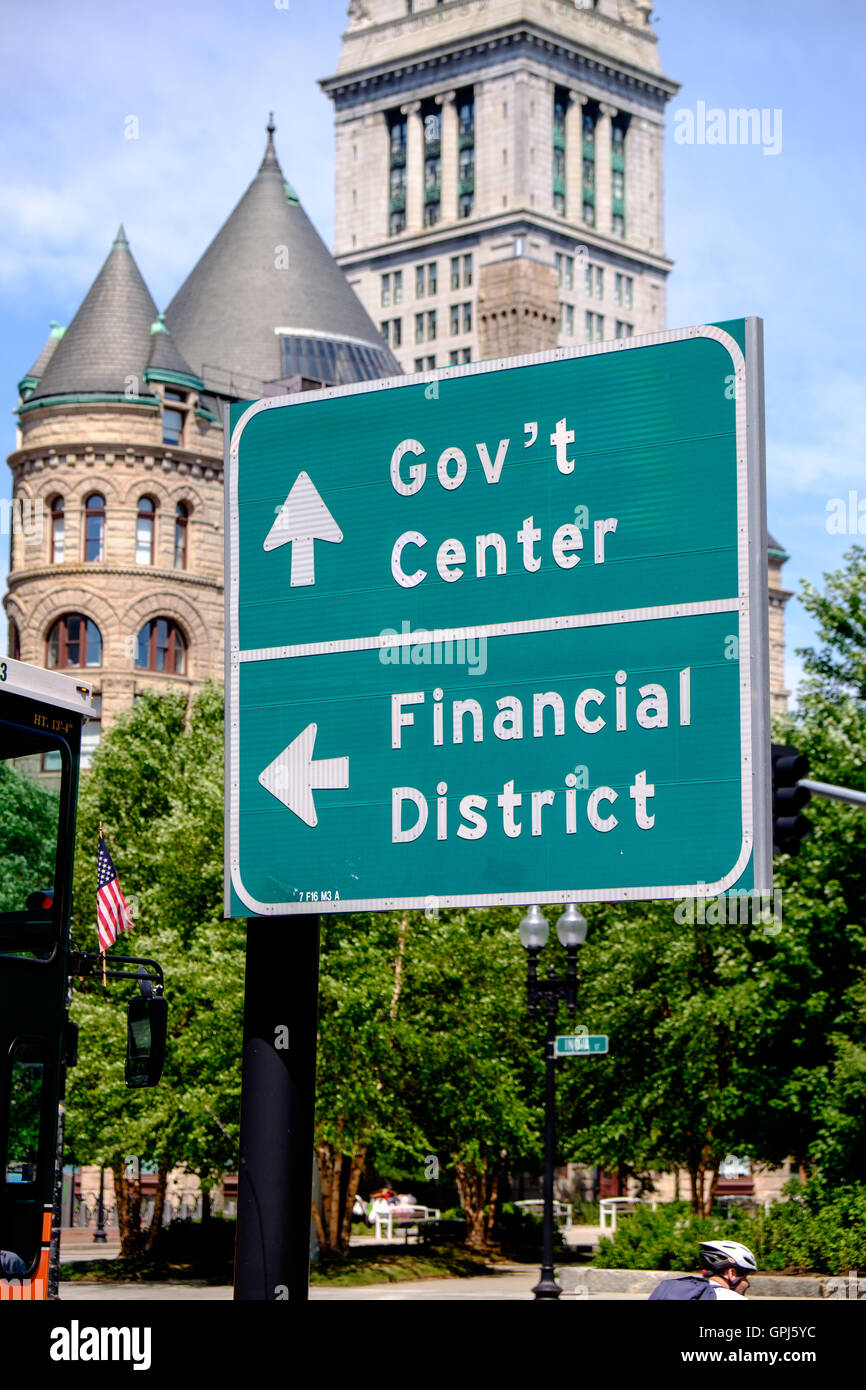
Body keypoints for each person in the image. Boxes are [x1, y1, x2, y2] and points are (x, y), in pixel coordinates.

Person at [648, 1240, 757, 1300]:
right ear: (731, 1273)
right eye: (745, 1277)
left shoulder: (671, 1289)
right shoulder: (731, 1298)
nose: (747, 1284)